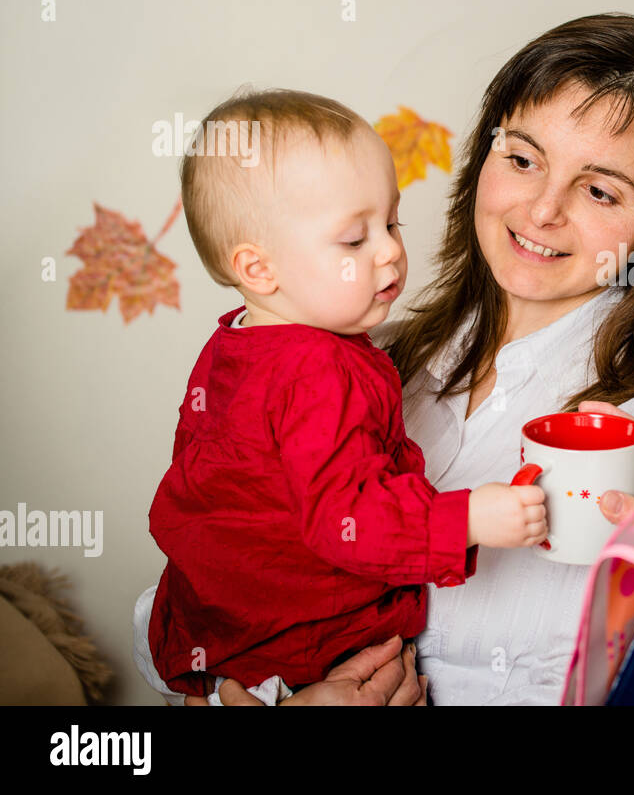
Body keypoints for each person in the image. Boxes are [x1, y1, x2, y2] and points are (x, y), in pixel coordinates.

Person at [134, 12, 634, 705]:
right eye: (522, 158)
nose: (542, 209)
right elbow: (198, 583)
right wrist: (230, 698)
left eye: (599, 190)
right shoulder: (366, 360)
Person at [145, 90, 548, 705]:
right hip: (306, 646)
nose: (389, 250)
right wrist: (466, 518)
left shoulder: (235, 342)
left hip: (221, 632)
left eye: (391, 223)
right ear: (259, 270)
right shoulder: (319, 371)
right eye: (354, 240)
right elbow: (346, 519)